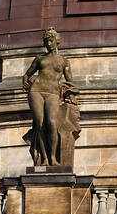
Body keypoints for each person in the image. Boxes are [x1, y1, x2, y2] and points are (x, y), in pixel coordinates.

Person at [22, 28, 80, 167]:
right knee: (40, 124)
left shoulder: (64, 61)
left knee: (52, 123)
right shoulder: (40, 58)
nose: (49, 43)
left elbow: (70, 81)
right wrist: (25, 81)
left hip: (53, 92)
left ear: (57, 41)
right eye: (46, 40)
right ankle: (45, 159)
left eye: (51, 40)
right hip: (36, 90)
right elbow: (27, 74)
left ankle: (53, 157)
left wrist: (70, 93)